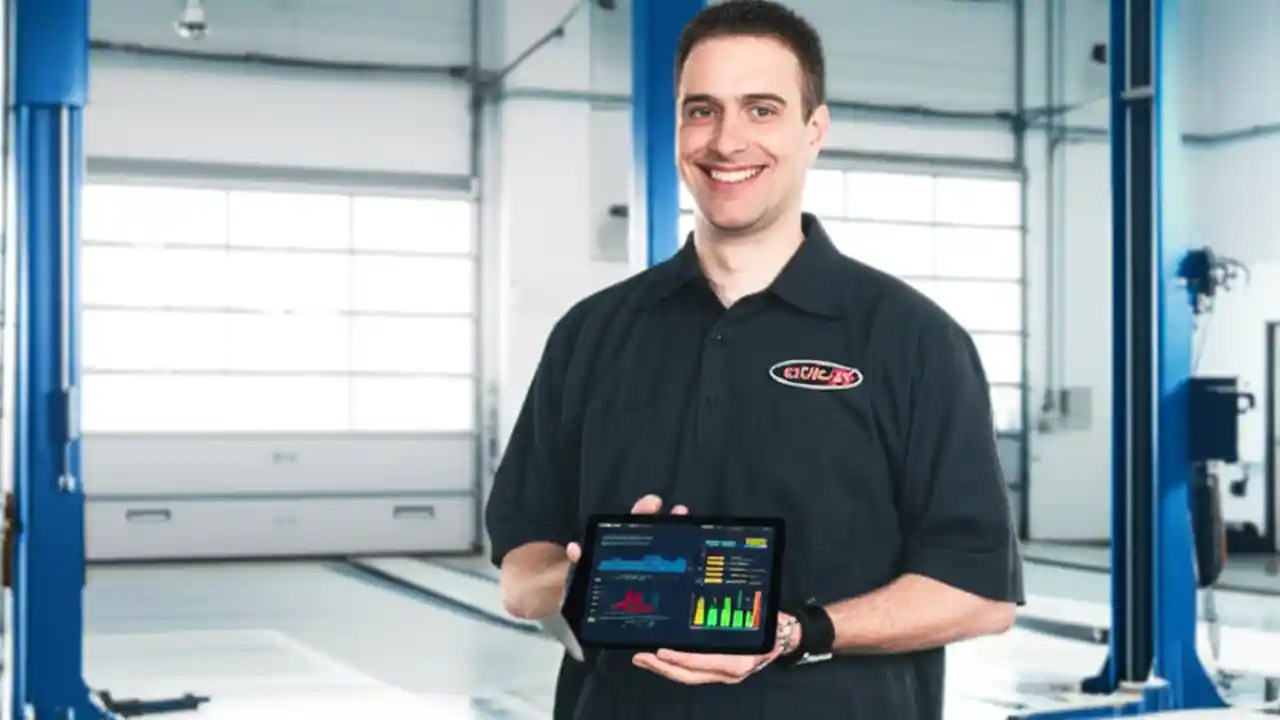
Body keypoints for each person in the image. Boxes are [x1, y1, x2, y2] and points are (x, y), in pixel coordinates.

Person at [484, 1, 1025, 718]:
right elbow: (522, 574)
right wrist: (596, 577)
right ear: (677, 127)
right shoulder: (592, 334)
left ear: (814, 129)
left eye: (761, 109)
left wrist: (798, 633)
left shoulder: (912, 340)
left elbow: (982, 595)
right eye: (701, 110)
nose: (726, 141)